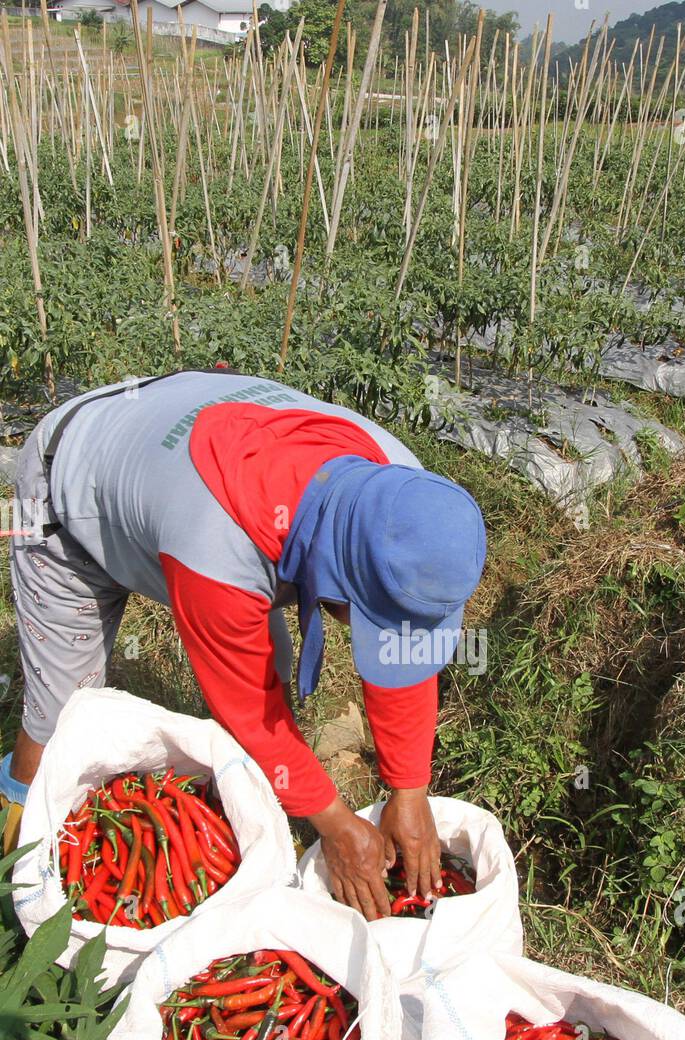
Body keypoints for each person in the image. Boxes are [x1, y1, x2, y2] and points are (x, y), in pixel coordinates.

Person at [0, 369, 486, 920]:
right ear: (336, 578)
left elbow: (406, 651)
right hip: (73, 484)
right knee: (62, 720)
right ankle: (19, 860)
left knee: (268, 663)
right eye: (372, 619)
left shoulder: (408, 494)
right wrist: (334, 823)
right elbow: (252, 713)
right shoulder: (218, 551)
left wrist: (409, 789)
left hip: (175, 431)